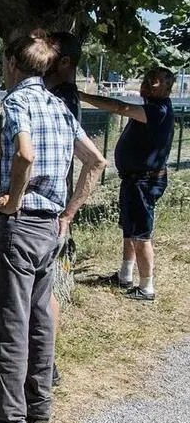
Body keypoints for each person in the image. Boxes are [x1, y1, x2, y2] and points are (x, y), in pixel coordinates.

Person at [0, 32, 106, 423]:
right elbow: (95, 161)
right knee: (41, 316)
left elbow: (24, 154)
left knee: (11, 321)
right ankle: (38, 402)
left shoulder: (17, 102)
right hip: (50, 230)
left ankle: (8, 420)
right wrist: (69, 212)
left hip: (22, 226)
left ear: (11, 62)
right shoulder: (60, 107)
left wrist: (12, 199)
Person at [79, 66, 176, 301]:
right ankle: (125, 275)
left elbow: (119, 107)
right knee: (130, 229)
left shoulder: (158, 110)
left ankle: (146, 288)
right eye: (144, 80)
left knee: (141, 233)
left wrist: (81, 96)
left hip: (144, 180)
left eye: (153, 82)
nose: (145, 85)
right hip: (134, 179)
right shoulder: (152, 107)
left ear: (167, 87)